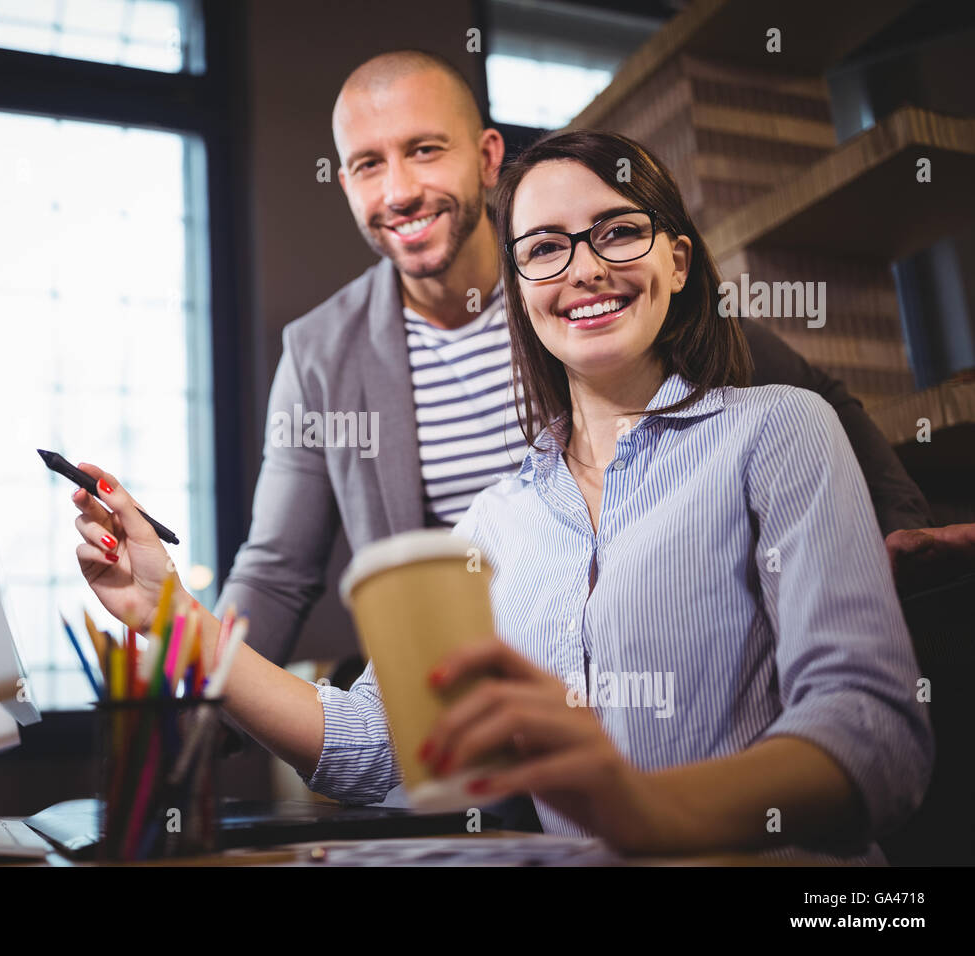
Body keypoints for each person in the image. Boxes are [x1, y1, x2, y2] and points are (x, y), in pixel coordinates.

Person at [69, 130, 933, 860]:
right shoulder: (496, 519)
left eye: (618, 232)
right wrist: (174, 612)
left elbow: (875, 734)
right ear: (520, 291)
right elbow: (387, 745)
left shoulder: (782, 430)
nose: (584, 269)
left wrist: (643, 813)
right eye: (546, 248)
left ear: (677, 262)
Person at [213, 49, 932, 676]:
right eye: (368, 164)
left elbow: (814, 400)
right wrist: (196, 695)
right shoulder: (318, 354)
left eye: (426, 150)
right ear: (344, 182)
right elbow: (276, 569)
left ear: (488, 158)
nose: (398, 190)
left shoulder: (600, 294)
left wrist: (900, 531)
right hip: (471, 715)